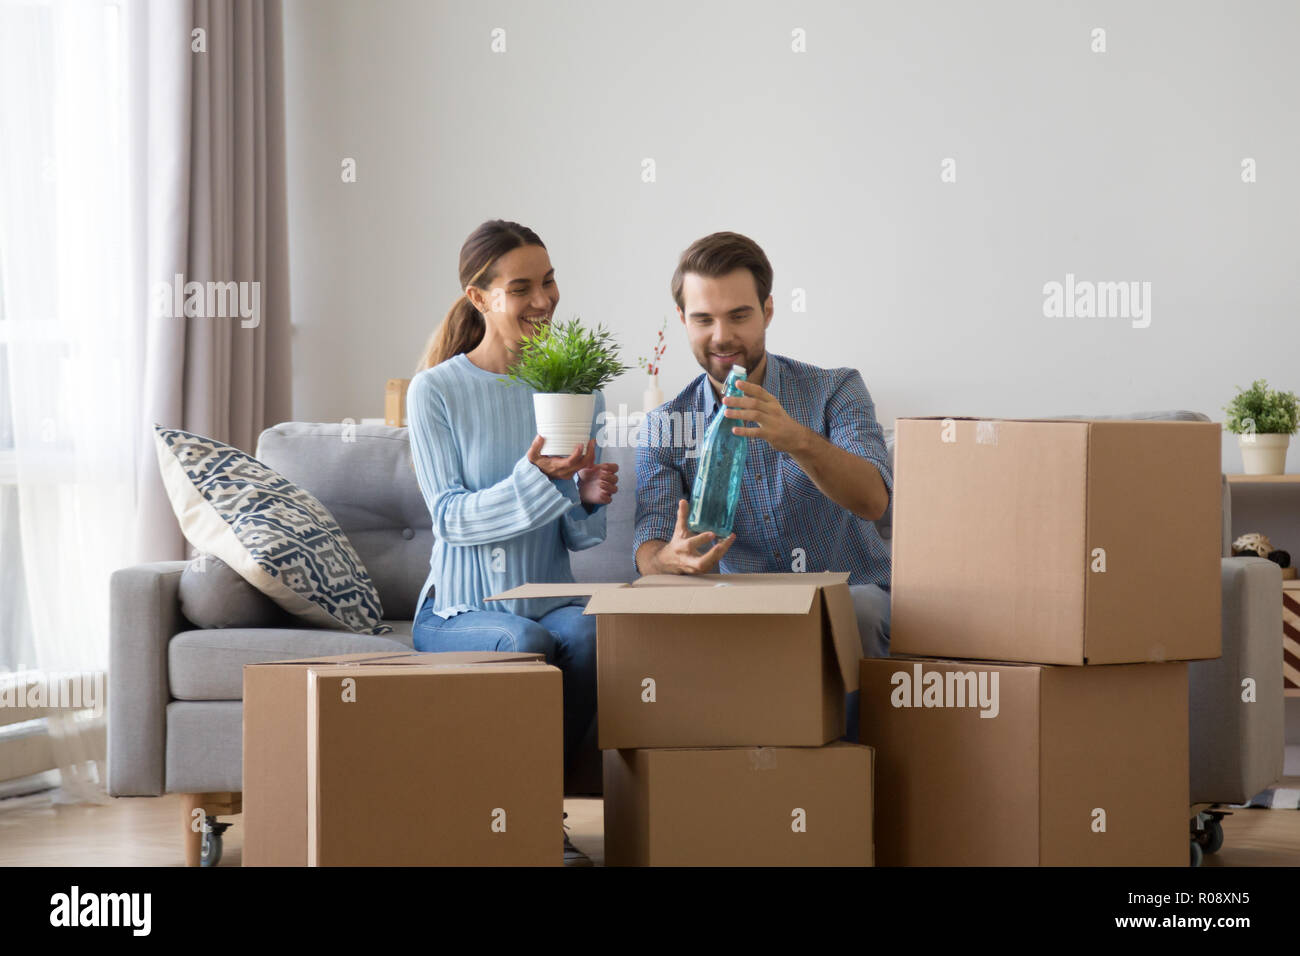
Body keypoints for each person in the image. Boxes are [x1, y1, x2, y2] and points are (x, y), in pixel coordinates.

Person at [407, 219, 618, 865]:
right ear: (480, 298)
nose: (544, 300)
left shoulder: (576, 389)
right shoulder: (436, 391)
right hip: (459, 609)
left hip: (548, 596)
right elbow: (450, 519)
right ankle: (524, 818)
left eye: (549, 281)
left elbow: (581, 537)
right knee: (527, 646)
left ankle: (524, 811)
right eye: (521, 287)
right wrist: (534, 477)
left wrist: (583, 499)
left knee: (589, 632)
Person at [633, 231, 891, 743]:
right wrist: (671, 560)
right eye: (704, 319)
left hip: (850, 593)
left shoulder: (836, 389)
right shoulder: (667, 423)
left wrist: (797, 438)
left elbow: (873, 500)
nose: (722, 336)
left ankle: (855, 783)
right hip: (738, 604)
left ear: (768, 311)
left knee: (853, 610)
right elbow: (649, 545)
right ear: (682, 319)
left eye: (740, 315)